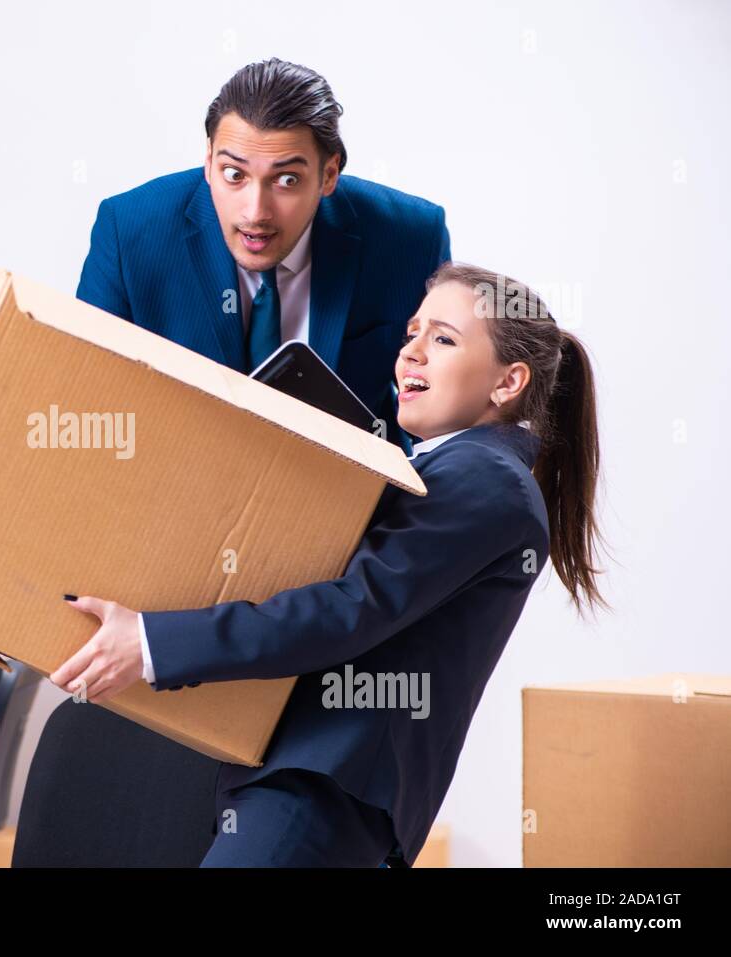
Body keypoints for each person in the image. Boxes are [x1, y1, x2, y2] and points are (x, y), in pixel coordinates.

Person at [50, 262, 609, 867]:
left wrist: (151, 642)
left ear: (508, 382)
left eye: (443, 339)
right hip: (297, 778)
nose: (412, 354)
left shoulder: (484, 479)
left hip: (322, 787)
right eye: (411, 334)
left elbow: (349, 609)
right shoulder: (442, 471)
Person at [77, 57, 450, 453]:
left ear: (328, 175)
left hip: (352, 493)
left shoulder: (409, 238)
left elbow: (446, 404)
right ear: (208, 161)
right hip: (176, 481)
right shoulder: (129, 231)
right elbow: (87, 394)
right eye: (234, 175)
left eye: (286, 180)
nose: (255, 212)